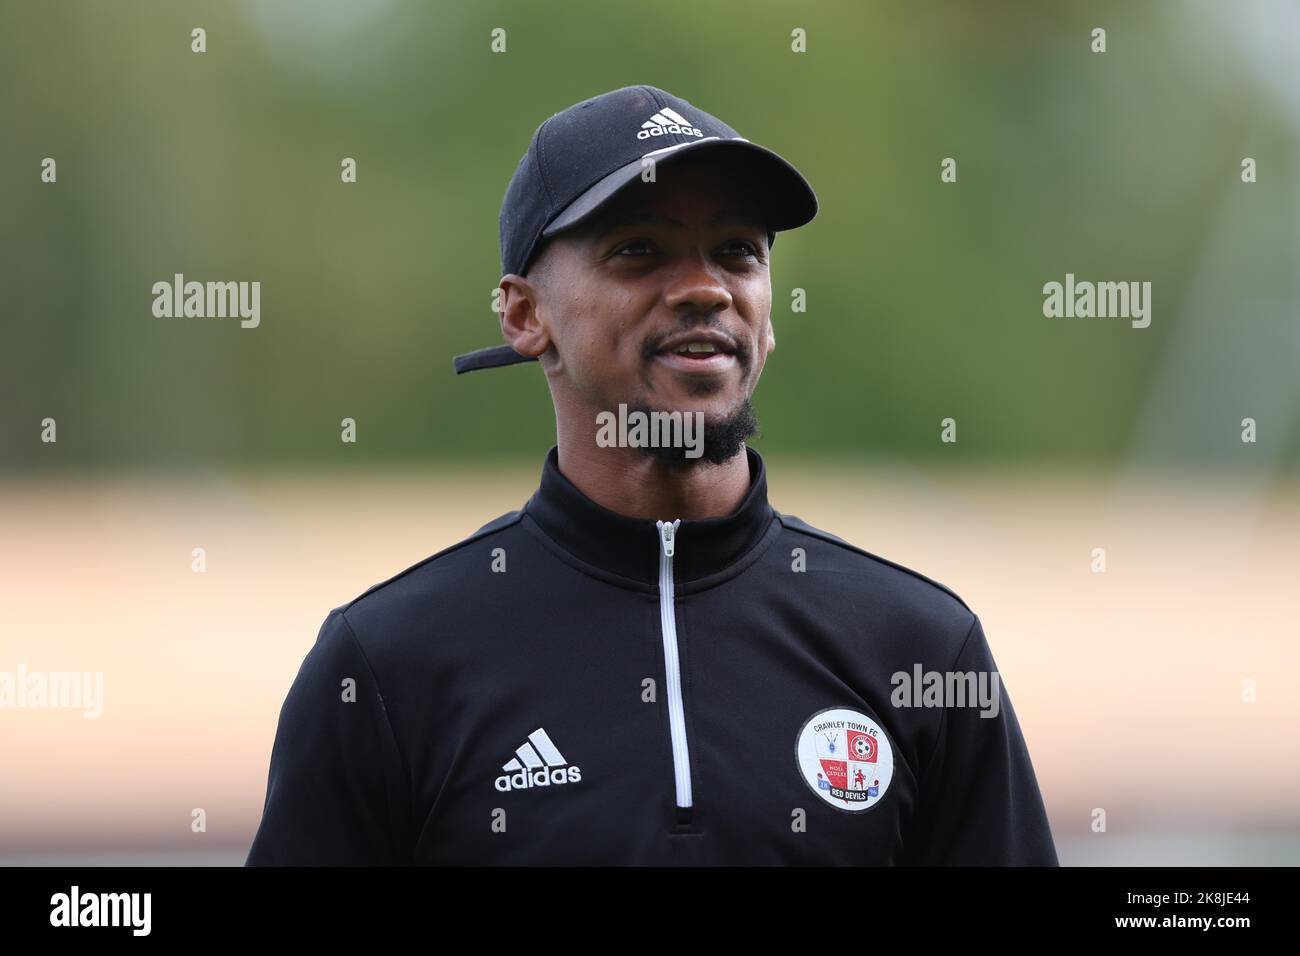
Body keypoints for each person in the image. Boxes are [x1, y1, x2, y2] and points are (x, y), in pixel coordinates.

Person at [245, 85, 1058, 866]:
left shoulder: (920, 647)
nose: (706, 287)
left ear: (767, 318)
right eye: (639, 251)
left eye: (737, 251)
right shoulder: (388, 665)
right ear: (526, 315)